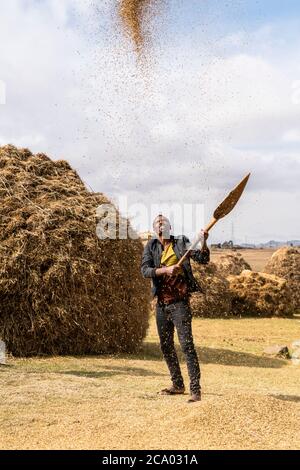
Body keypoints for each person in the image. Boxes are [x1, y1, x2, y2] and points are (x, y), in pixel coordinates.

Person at [141, 214, 209, 403]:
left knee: (187, 345)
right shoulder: (151, 246)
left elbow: (203, 258)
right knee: (166, 346)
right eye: (158, 223)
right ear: (155, 229)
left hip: (180, 304)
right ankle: (178, 384)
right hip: (162, 305)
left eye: (164, 222)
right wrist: (165, 270)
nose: (161, 224)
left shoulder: (182, 243)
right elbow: (145, 270)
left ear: (170, 227)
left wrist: (203, 242)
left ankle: (195, 390)